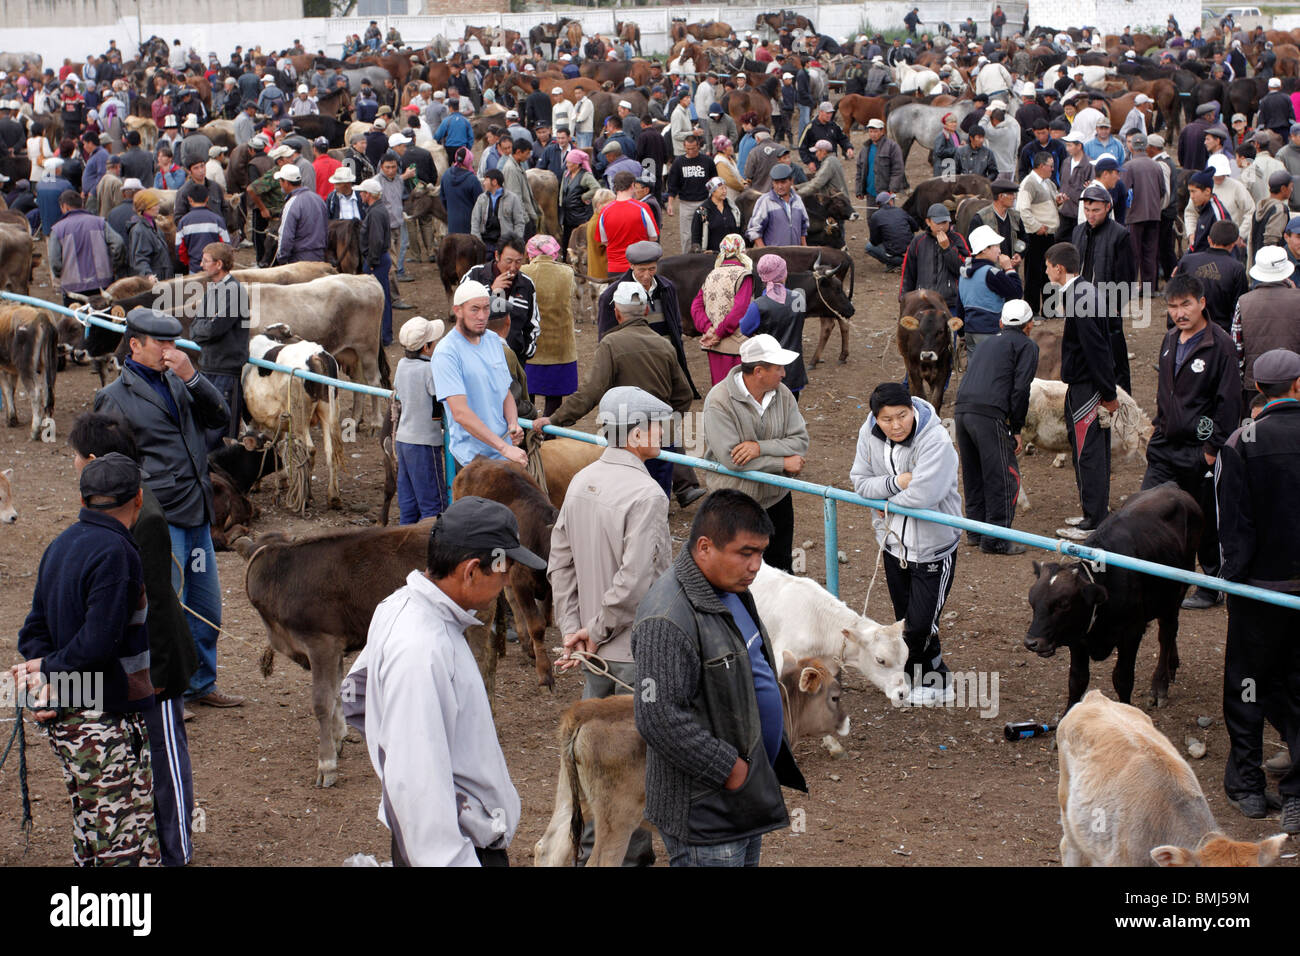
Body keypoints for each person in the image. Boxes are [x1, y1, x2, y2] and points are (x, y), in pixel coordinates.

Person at [343, 496, 536, 865]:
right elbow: (417, 782)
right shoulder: (422, 648)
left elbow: (356, 693)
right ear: (471, 571)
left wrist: (387, 741)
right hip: (457, 849)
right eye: (504, 569)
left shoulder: (399, 607)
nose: (508, 579)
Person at [631, 489, 807, 867]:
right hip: (707, 812)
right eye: (746, 552)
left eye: (761, 553)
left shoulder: (731, 589)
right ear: (705, 547)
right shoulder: (666, 619)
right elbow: (657, 716)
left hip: (742, 798)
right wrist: (731, 770)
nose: (757, 565)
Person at [13, 453, 160, 866]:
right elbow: (97, 644)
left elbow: (33, 632)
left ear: (83, 497)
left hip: (72, 715)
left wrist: (48, 683)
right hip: (103, 718)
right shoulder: (118, 554)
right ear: (138, 498)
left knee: (93, 828)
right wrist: (47, 672)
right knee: (122, 837)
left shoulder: (61, 543)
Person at [65, 413, 198, 866]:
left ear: (95, 463)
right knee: (145, 762)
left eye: (77, 457)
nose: (73, 465)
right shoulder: (118, 514)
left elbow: (157, 605)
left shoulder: (145, 521)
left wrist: (154, 676)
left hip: (154, 667)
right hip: (133, 669)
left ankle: (177, 851)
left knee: (166, 764)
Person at [548, 385, 671, 867]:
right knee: (633, 764)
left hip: (592, 651)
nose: (664, 433)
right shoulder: (647, 494)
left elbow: (560, 561)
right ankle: (626, 855)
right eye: (658, 425)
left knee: (593, 759)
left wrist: (573, 629)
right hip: (631, 652)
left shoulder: (582, 481)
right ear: (637, 433)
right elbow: (636, 581)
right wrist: (595, 630)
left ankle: (587, 851)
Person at [92, 308, 239, 708]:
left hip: (195, 510)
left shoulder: (180, 381)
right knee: (163, 608)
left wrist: (193, 376)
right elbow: (105, 464)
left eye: (174, 342)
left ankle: (200, 684)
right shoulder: (113, 397)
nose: (170, 350)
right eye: (162, 343)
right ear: (135, 344)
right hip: (158, 516)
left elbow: (220, 418)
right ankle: (164, 691)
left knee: (205, 606)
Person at [1215, 348, 1300, 830]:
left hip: (1258, 595)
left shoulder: (1241, 441)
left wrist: (1232, 580)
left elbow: (1232, 524)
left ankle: (1248, 785)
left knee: (1246, 686)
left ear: (1258, 390)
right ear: (1298, 386)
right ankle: (1296, 796)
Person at [850, 382, 962, 703]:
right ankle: (922, 677)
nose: (896, 425)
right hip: (892, 543)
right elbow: (859, 481)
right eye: (887, 419)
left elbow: (926, 495)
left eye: (902, 416)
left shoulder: (936, 440)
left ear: (913, 410)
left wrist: (881, 492)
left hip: (933, 546)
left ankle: (938, 680)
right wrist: (898, 482)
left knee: (919, 625)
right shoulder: (868, 433)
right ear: (876, 419)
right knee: (905, 620)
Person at [534, 281, 694, 498]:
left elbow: (591, 392)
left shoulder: (611, 344)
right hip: (659, 437)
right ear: (646, 311)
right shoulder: (664, 345)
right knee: (657, 497)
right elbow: (683, 394)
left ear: (617, 313)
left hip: (625, 438)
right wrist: (664, 421)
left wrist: (554, 420)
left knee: (626, 498)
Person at [1141, 272, 1242, 610]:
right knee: (1147, 508)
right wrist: (1158, 427)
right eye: (1172, 306)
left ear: (1202, 303)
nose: (1179, 312)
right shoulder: (1170, 340)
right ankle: (1152, 578)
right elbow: (1164, 392)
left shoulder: (1221, 345)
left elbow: (1228, 402)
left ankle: (1210, 585)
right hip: (1165, 446)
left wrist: (1212, 449)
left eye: (1185, 304)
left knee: (1205, 520)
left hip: (1200, 451)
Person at [700, 334, 808, 572]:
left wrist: (759, 447)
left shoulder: (784, 395)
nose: (784, 374)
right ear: (759, 371)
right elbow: (732, 459)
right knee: (738, 573)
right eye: (778, 368)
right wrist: (782, 463)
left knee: (780, 570)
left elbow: (800, 442)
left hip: (776, 498)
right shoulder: (719, 401)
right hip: (735, 503)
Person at [1045, 242, 1119, 539]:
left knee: (1089, 453)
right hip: (1084, 385)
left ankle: (1096, 521)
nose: (1046, 271)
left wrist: (1108, 393)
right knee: (1086, 451)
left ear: (1059, 268)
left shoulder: (1080, 297)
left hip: (1087, 389)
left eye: (1048, 266)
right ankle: (1093, 512)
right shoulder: (1083, 291)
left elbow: (1097, 349)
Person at [954, 299, 1038, 554]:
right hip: (990, 414)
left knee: (974, 471)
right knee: (1003, 475)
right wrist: (1016, 428)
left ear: (1001, 323)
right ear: (1029, 325)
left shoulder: (987, 342)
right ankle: (996, 539)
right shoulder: (1027, 346)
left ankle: (976, 532)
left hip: (961, 410)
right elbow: (1021, 389)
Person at [432, 280, 527, 468]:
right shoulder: (446, 352)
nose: (482, 316)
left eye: (485, 308)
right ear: (458, 310)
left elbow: (504, 391)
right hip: (473, 460)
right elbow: (460, 413)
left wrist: (513, 423)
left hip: (504, 452)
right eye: (474, 309)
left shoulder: (493, 340)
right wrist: (503, 448)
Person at [1070, 182, 1135, 392]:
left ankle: (1123, 401)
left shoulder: (1120, 234)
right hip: (1081, 302)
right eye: (1087, 210)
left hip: (1108, 306)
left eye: (1096, 210)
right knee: (1084, 353)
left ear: (1108, 207)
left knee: (1114, 357)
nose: (1091, 214)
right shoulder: (1078, 231)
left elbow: (1127, 275)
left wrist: (1116, 304)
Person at [187, 242, 250, 450]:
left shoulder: (234, 292)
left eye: (205, 261)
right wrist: (205, 326)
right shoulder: (213, 290)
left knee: (221, 433)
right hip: (209, 366)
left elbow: (215, 328)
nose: (201, 265)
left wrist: (204, 327)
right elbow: (195, 328)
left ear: (219, 264)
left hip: (225, 370)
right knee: (206, 426)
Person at [393, 316, 449, 524]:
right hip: (424, 443)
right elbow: (444, 397)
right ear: (426, 347)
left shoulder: (401, 364)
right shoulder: (429, 369)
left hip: (403, 439)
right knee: (433, 506)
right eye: (435, 342)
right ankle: (431, 551)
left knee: (408, 505)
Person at [1230, 245, 1300, 404]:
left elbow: (1237, 349)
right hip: (1294, 383)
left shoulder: (1244, 302)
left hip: (1257, 384)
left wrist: (1242, 381)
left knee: (1255, 427)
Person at [519, 234, 577, 417]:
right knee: (555, 396)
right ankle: (549, 434)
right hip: (560, 346)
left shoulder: (522, 272)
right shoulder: (567, 272)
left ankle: (529, 434)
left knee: (527, 394)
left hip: (530, 345)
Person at [462, 239, 540, 367]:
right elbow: (462, 310)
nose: (513, 267)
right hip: (477, 359)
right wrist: (490, 291)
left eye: (518, 262)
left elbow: (533, 322)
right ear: (497, 256)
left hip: (513, 361)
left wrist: (526, 351)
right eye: (508, 261)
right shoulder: (475, 275)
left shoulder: (526, 284)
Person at [739, 255, 807, 397]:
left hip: (769, 371)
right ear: (783, 274)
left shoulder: (759, 305)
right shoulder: (799, 298)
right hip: (794, 368)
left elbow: (745, 329)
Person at [693, 235, 756, 386]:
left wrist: (708, 329)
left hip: (714, 346)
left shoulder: (711, 275)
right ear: (742, 250)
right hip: (736, 347)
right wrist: (719, 332)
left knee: (720, 390)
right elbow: (739, 310)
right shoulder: (744, 275)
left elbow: (696, 306)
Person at [959, 224, 1025, 361]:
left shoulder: (964, 273)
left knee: (975, 371)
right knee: (993, 372)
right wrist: (1009, 269)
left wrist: (961, 333)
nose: (999, 251)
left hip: (970, 329)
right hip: (989, 329)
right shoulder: (991, 273)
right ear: (984, 249)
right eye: (996, 246)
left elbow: (960, 305)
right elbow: (1016, 293)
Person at [48, 189, 124, 305]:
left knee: (76, 321)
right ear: (82, 204)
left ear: (64, 206)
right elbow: (118, 243)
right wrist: (113, 265)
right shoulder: (100, 223)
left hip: (72, 288)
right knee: (102, 319)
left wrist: (60, 273)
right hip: (102, 284)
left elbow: (54, 261)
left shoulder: (58, 229)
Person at [1173, 220, 1248, 334]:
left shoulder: (1187, 261)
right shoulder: (1236, 268)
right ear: (1233, 243)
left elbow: (1173, 295)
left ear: (1209, 239)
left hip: (1187, 328)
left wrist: (1173, 328)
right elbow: (1239, 308)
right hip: (1220, 333)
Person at [900, 203, 969, 316]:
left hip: (949, 302)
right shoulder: (918, 242)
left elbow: (963, 269)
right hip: (923, 301)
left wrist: (947, 249)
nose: (941, 227)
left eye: (945, 222)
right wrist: (904, 298)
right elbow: (908, 272)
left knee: (949, 332)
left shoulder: (957, 239)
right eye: (938, 223)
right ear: (928, 222)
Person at [1016, 151, 1061, 314]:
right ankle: (1032, 310)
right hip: (1036, 236)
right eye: (1050, 166)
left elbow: (1050, 204)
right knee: (1034, 273)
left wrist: (1058, 202)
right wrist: (1036, 227)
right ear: (1042, 166)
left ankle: (1049, 310)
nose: (1053, 169)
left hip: (1048, 235)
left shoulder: (1048, 183)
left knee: (1048, 272)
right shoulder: (1028, 183)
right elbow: (1023, 209)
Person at [664, 135, 715, 252]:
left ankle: (704, 256)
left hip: (703, 203)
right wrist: (670, 204)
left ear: (698, 146)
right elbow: (672, 186)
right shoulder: (678, 162)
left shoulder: (707, 161)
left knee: (705, 231)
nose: (691, 151)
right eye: (688, 149)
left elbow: (714, 182)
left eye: (693, 148)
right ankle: (687, 258)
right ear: (684, 147)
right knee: (686, 235)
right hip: (686, 203)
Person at [746, 162, 808, 248]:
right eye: (776, 183)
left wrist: (805, 250)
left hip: (795, 256)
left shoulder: (798, 200)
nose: (779, 186)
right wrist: (765, 253)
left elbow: (803, 228)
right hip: (773, 257)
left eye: (783, 182)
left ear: (791, 181)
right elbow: (754, 230)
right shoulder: (765, 201)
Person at [470, 168, 526, 256]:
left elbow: (519, 222)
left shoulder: (512, 198)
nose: (483, 183)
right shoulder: (481, 199)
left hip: (505, 243)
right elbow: (475, 221)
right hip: (485, 242)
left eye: (486, 180)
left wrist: (514, 243)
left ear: (494, 182)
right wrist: (478, 243)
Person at [855, 118, 907, 204]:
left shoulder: (892, 147)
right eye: (870, 131)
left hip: (886, 194)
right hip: (870, 193)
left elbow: (898, 170)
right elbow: (860, 170)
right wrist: (859, 190)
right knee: (872, 217)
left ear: (882, 131)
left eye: (875, 131)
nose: (872, 134)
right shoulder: (865, 148)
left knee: (887, 217)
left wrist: (892, 189)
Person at [125, 189, 173, 280]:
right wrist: (148, 276)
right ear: (144, 208)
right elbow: (140, 258)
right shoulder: (139, 230)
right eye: (154, 205)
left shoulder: (155, 226)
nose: (158, 207)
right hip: (154, 282)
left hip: (163, 279)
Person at [558, 147, 599, 253]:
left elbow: (596, 188)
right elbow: (563, 190)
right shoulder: (566, 174)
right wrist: (561, 203)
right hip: (567, 215)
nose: (567, 165)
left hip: (580, 215)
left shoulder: (585, 176)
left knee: (579, 241)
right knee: (566, 239)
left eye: (569, 163)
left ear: (576, 164)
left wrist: (584, 197)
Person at [865, 190, 917, 270]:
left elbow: (874, 241)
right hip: (910, 250)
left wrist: (884, 236)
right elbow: (915, 227)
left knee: (869, 247)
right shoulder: (900, 211)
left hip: (894, 251)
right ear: (890, 202)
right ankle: (908, 259)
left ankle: (898, 263)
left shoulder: (875, 216)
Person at [690, 175, 741, 253]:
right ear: (713, 192)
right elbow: (696, 235)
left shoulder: (732, 207)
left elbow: (738, 229)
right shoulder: (702, 210)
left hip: (732, 253)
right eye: (721, 189)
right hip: (711, 255)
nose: (724, 191)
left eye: (725, 188)